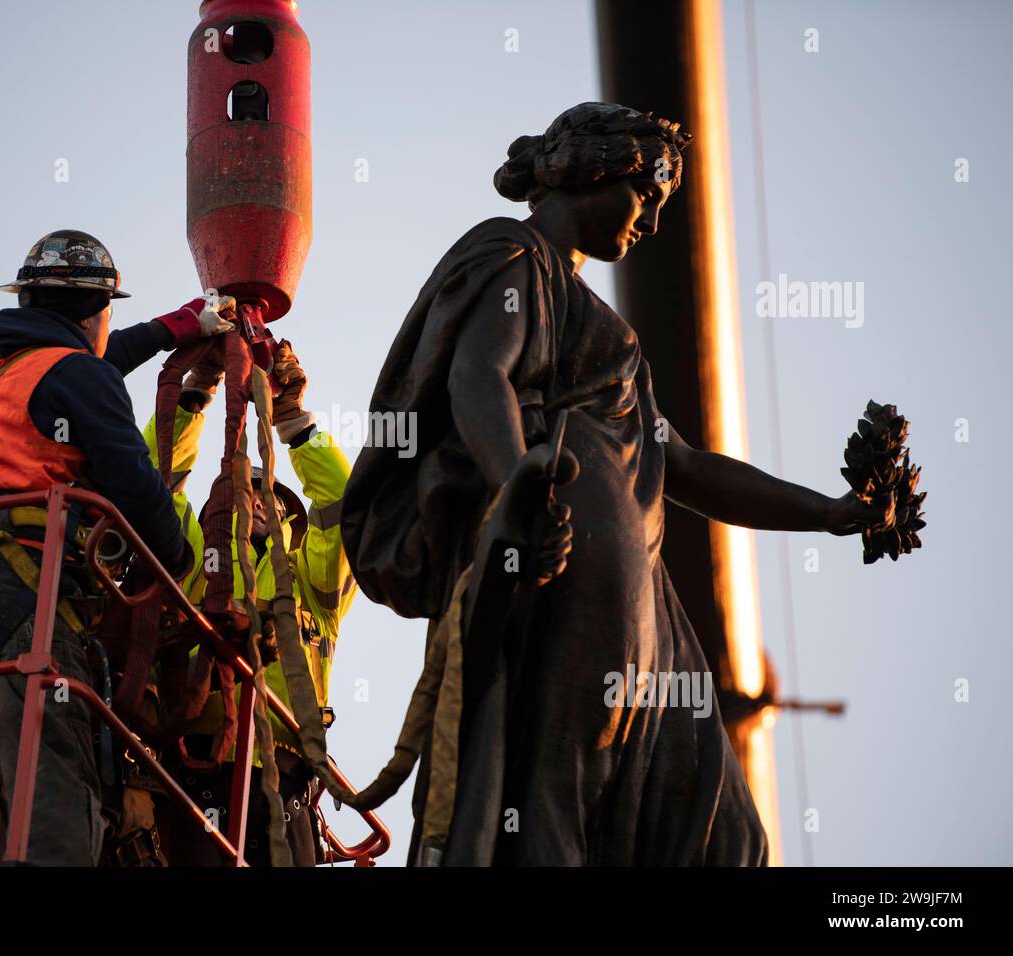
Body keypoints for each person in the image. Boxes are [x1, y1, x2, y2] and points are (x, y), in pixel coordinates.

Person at [340, 104, 886, 866]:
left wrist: (827, 512)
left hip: (642, 607)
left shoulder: (610, 333)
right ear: (593, 170)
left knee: (723, 832)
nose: (652, 223)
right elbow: (477, 375)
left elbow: (688, 467)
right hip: (559, 570)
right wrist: (516, 493)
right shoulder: (511, 252)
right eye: (646, 195)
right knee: (549, 794)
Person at [0, 229, 234, 865]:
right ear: (96, 312)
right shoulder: (76, 375)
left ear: (28, 302)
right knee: (53, 792)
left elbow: (89, 368)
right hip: (20, 601)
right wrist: (179, 561)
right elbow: (137, 486)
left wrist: (180, 325)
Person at [142, 340, 356, 866]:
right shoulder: (195, 559)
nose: (258, 501)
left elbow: (344, 506)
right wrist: (193, 395)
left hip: (285, 788)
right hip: (194, 773)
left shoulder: (313, 587)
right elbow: (152, 485)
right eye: (243, 489)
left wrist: (294, 420)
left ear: (288, 516)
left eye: (269, 496)